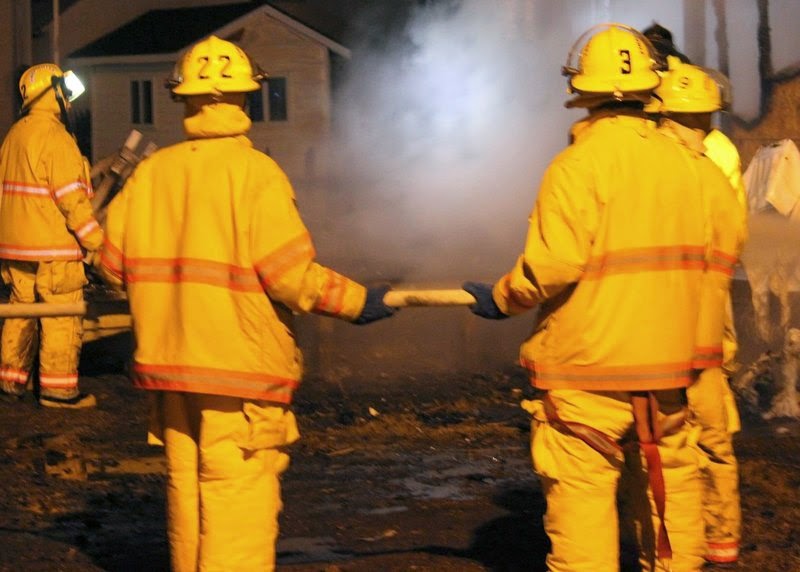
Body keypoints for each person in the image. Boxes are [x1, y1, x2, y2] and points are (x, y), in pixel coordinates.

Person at [97, 36, 396, 572]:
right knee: (237, 498)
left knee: (187, 491)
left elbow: (112, 265)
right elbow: (287, 277)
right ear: (247, 98)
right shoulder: (255, 173)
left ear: (182, 98)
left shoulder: (150, 174)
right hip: (238, 374)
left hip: (170, 372)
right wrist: (357, 302)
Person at [463, 23, 744, 572]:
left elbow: (553, 266)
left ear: (582, 89)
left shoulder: (575, 167)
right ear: (650, 88)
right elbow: (720, 261)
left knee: (584, 506)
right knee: (674, 497)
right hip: (670, 373)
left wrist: (501, 297)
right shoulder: (701, 172)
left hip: (585, 376)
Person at [648, 59, 747, 566]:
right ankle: (722, 541)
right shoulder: (717, 161)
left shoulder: (656, 167)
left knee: (674, 447)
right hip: (707, 328)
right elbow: (732, 240)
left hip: (665, 334)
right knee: (714, 439)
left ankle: (679, 549)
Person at [0, 63, 101, 408]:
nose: (69, 98)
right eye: (65, 90)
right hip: (53, 248)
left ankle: (11, 382)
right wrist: (95, 243)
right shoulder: (56, 138)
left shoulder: (15, 135)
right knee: (62, 318)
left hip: (15, 248)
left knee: (19, 312)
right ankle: (59, 391)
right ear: (52, 90)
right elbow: (72, 199)